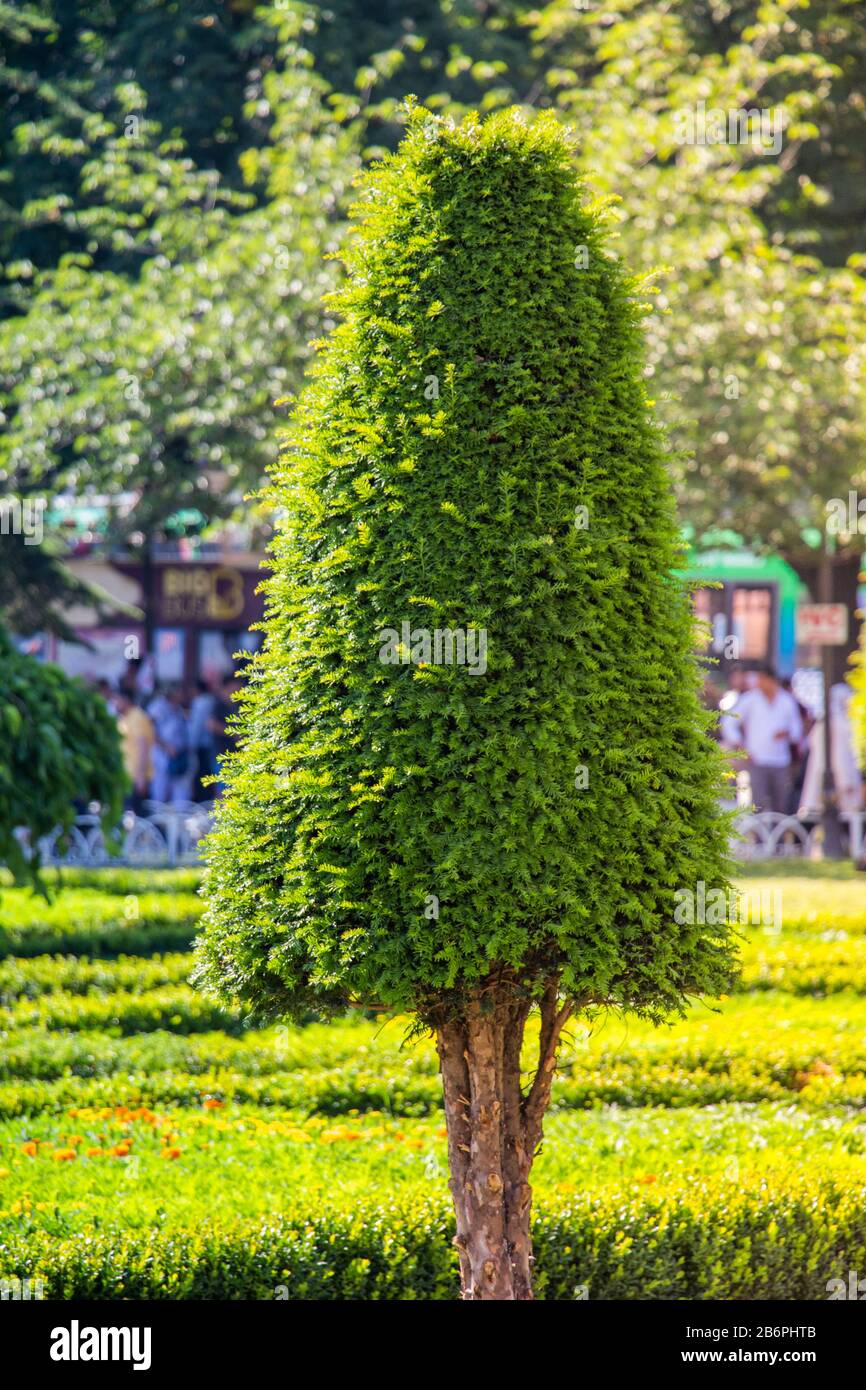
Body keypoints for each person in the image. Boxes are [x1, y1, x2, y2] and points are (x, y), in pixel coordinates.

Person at [724, 664, 803, 814]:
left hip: (780, 760)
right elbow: (729, 721)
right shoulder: (751, 699)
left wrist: (785, 734)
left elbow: (796, 731)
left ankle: (778, 836)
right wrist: (740, 746)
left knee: (781, 805)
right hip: (757, 759)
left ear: (771, 680)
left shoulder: (786, 701)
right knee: (757, 804)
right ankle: (759, 837)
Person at [799, 682, 863, 817]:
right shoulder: (838, 723)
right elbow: (839, 755)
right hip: (838, 780)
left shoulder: (826, 722)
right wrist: (845, 781)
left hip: (824, 777)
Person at [146, 685, 191, 804]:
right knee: (159, 790)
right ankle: (158, 820)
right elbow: (149, 729)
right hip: (161, 754)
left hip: (179, 754)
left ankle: (178, 818)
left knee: (180, 790)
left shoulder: (179, 709)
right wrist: (166, 747)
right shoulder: (158, 706)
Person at [115, 690, 156, 814]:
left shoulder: (137, 717)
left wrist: (141, 776)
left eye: (117, 699)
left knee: (140, 814)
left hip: (136, 776)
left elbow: (142, 747)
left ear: (126, 700)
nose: (115, 703)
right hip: (126, 775)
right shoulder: (125, 718)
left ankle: (159, 833)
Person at [188, 677, 217, 800]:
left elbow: (197, 725)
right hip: (212, 742)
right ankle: (208, 797)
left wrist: (191, 744)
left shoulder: (199, 702)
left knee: (200, 771)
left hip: (201, 744)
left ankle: (201, 798)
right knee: (209, 770)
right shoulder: (212, 700)